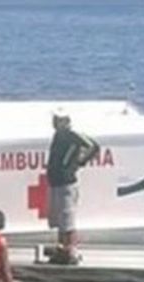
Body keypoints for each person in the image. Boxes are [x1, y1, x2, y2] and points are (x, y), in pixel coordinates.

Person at [46, 109, 99, 265]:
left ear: (65, 121)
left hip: (66, 183)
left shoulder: (71, 134)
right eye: (54, 118)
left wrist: (79, 162)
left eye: (57, 119)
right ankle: (61, 251)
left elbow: (93, 146)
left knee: (68, 220)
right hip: (55, 182)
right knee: (60, 220)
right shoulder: (57, 135)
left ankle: (71, 253)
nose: (54, 121)